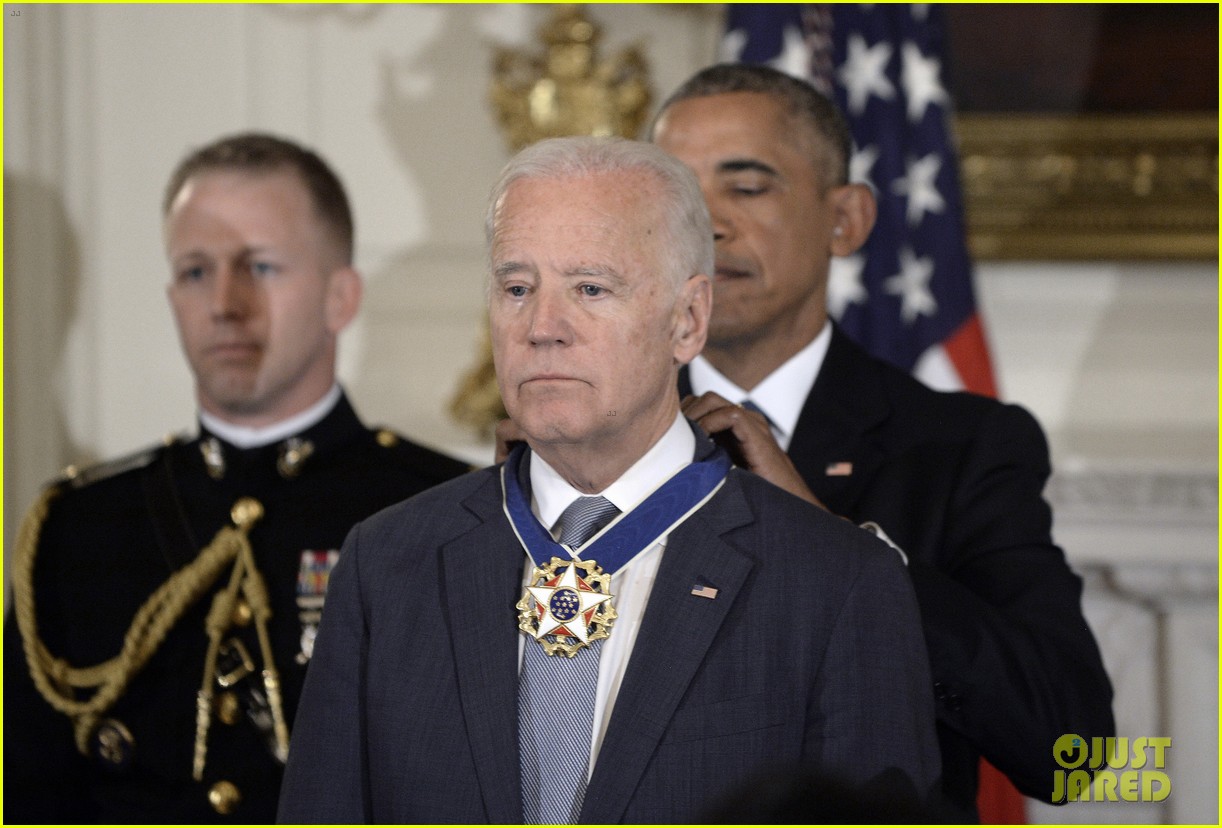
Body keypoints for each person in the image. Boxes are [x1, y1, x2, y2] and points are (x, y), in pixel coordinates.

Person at [277, 136, 941, 824]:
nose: (542, 328)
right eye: (517, 288)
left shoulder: (835, 583)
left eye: (591, 288)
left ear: (687, 321)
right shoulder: (387, 564)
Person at [647, 63, 1114, 820]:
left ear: (846, 220)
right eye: (676, 195)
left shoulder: (963, 448)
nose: (706, 224)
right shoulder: (596, 433)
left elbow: (1075, 750)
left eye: (748, 185)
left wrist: (840, 549)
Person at [3, 133, 469, 823]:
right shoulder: (82, 528)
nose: (225, 302)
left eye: (261, 266)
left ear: (341, 296)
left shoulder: (446, 513)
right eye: (196, 271)